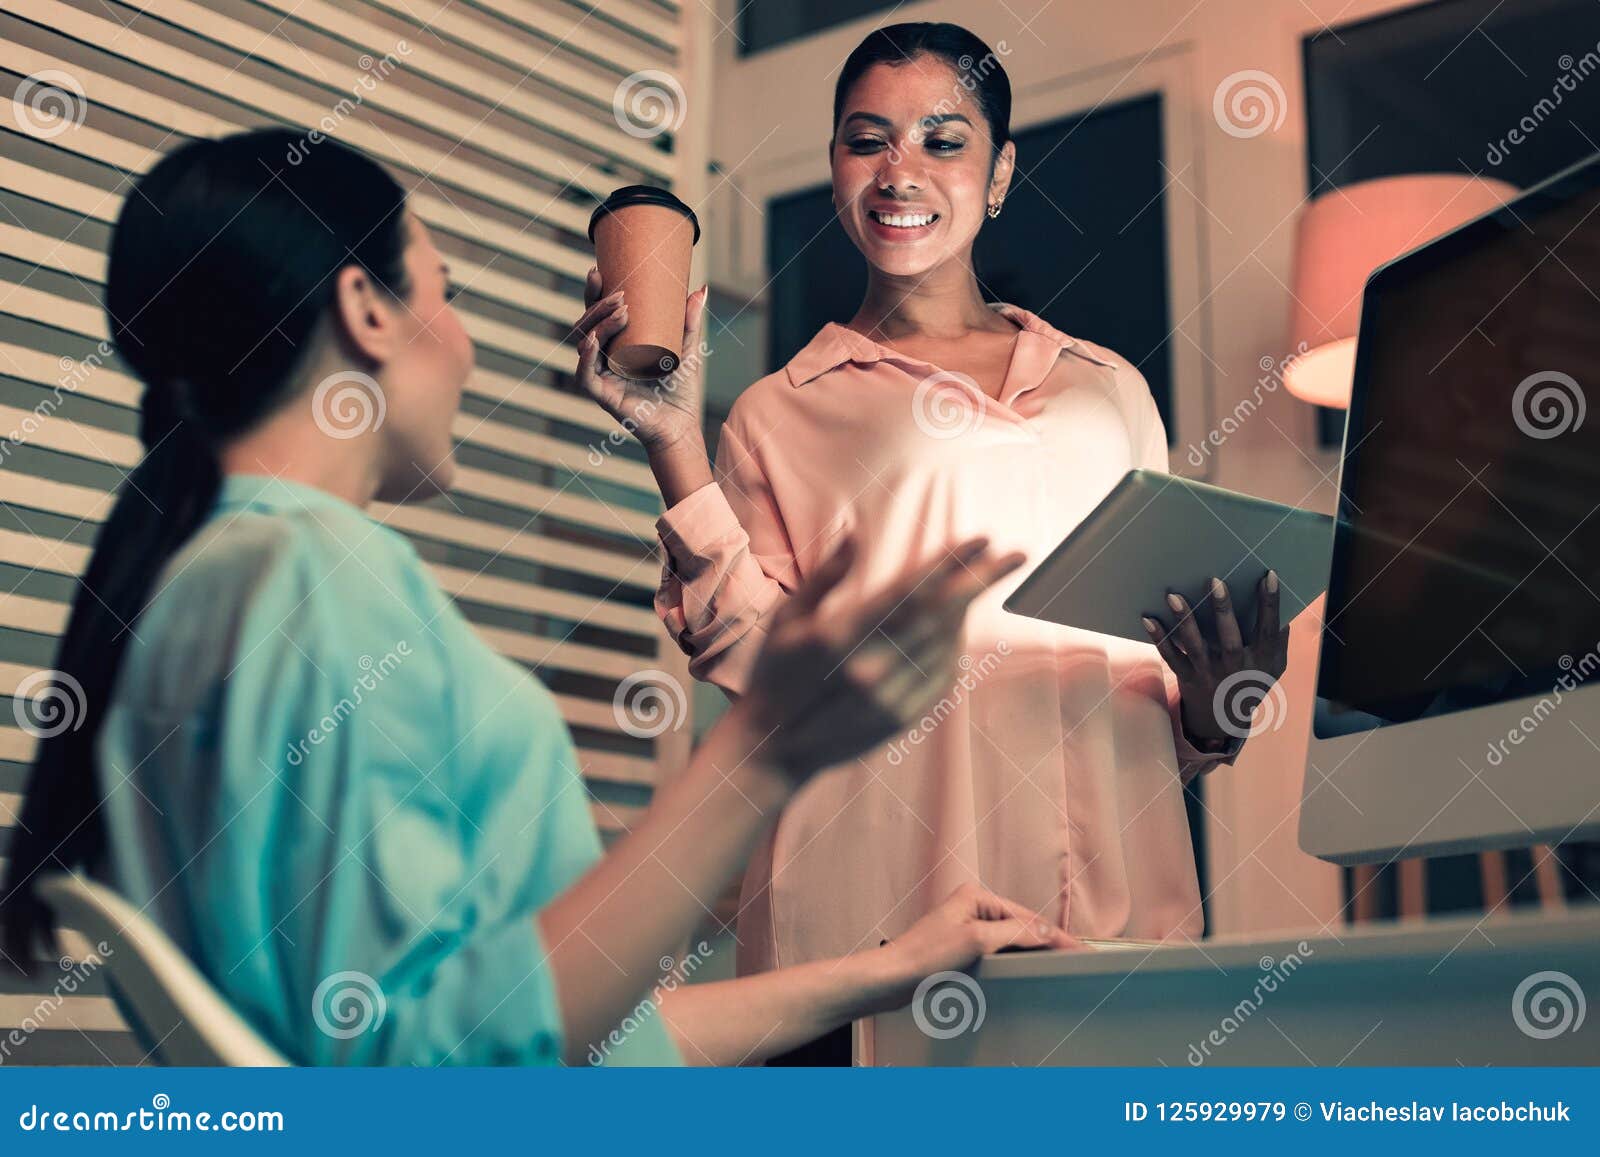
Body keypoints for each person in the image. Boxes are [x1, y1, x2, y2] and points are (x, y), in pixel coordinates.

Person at [0, 129, 1075, 1067]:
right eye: (448, 296)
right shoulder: (316, 584)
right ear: (366, 312)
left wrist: (889, 966)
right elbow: (450, 1073)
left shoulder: (202, 586)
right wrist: (766, 746)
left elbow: (549, 1033)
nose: (464, 349)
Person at [572, 21, 1292, 1011]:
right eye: (866, 139)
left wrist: (1220, 698)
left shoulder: (1109, 391)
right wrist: (668, 439)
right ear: (834, 168)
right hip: (869, 937)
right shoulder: (780, 411)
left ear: (998, 174)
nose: (897, 171)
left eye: (942, 141)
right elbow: (760, 668)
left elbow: (1138, 707)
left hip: (1110, 946)